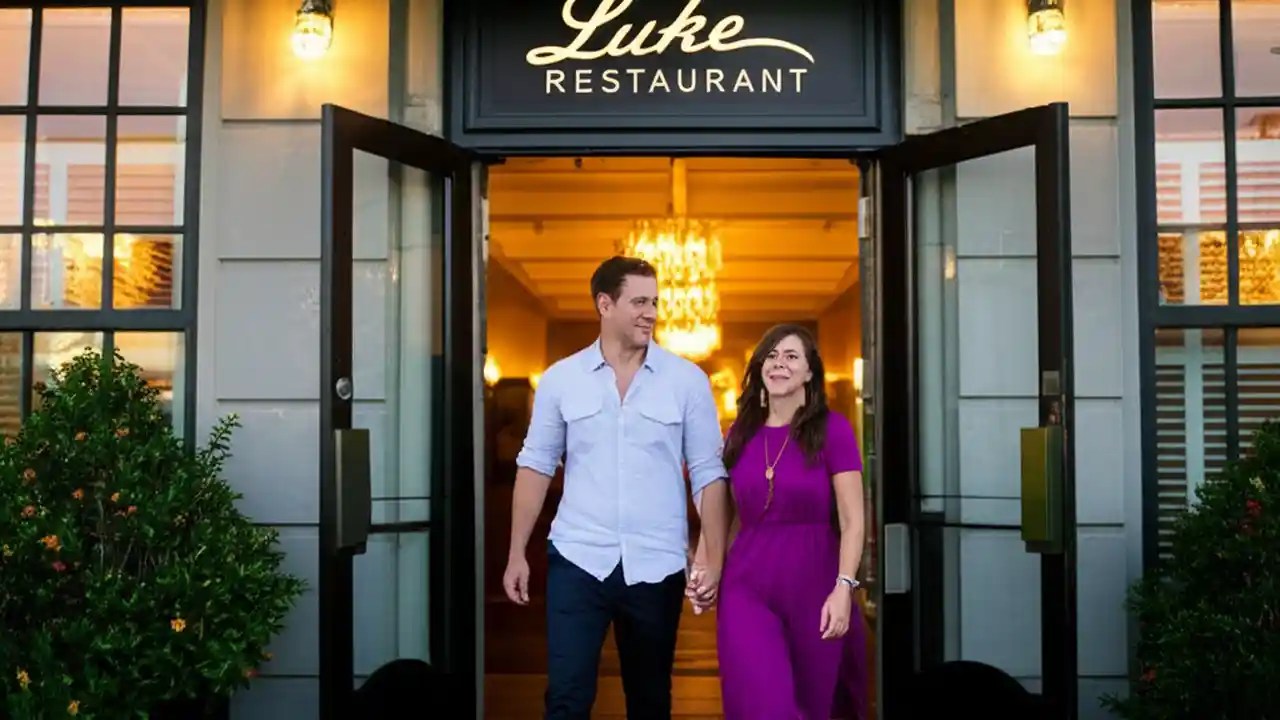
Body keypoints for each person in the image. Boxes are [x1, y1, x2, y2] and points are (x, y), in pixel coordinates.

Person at [503, 255, 731, 720]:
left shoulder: (687, 381)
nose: (651, 312)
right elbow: (535, 465)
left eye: (655, 302)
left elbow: (709, 473)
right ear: (604, 304)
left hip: (657, 564)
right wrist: (516, 551)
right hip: (577, 559)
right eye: (639, 301)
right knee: (566, 699)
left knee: (649, 702)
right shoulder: (561, 380)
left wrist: (711, 554)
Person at [689, 323, 868, 719]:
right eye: (771, 355)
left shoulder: (832, 430)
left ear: (809, 372)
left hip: (816, 583)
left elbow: (853, 520)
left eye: (791, 356)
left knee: (811, 702)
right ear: (759, 369)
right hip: (747, 586)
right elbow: (720, 511)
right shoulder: (739, 433)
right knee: (763, 702)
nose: (779, 363)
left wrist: (844, 588)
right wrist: (705, 570)